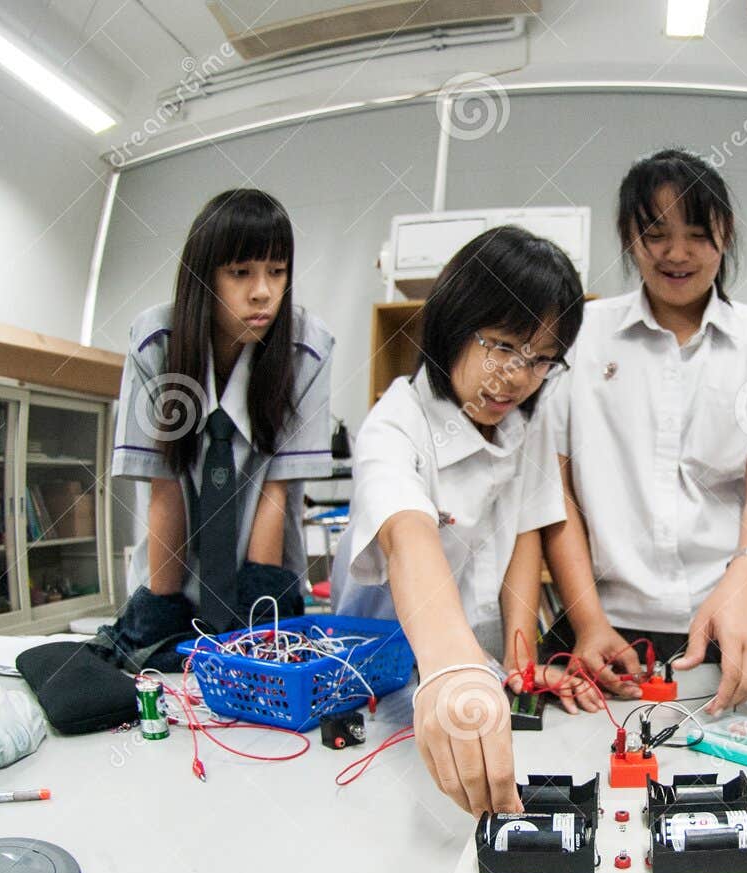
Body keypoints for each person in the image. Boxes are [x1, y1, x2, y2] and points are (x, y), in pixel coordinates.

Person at [332, 226, 595, 815]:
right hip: (386, 681)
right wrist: (454, 669)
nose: (517, 377)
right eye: (502, 346)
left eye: (541, 360)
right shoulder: (395, 424)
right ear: (453, 322)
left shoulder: (525, 422)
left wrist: (519, 669)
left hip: (476, 680)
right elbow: (407, 539)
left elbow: (526, 534)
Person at [542, 148, 747, 714]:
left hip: (739, 613)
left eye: (696, 233)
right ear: (629, 238)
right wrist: (586, 621)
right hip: (607, 630)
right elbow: (557, 491)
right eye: (656, 234)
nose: (677, 254)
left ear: (725, 233)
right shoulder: (581, 334)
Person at [104, 188, 332, 671]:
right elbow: (166, 489)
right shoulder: (156, 346)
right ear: (204, 278)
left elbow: (276, 492)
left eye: (277, 271)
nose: (263, 292)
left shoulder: (306, 351)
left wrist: (255, 624)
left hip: (264, 580)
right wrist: (161, 627)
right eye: (240, 273)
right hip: (174, 581)